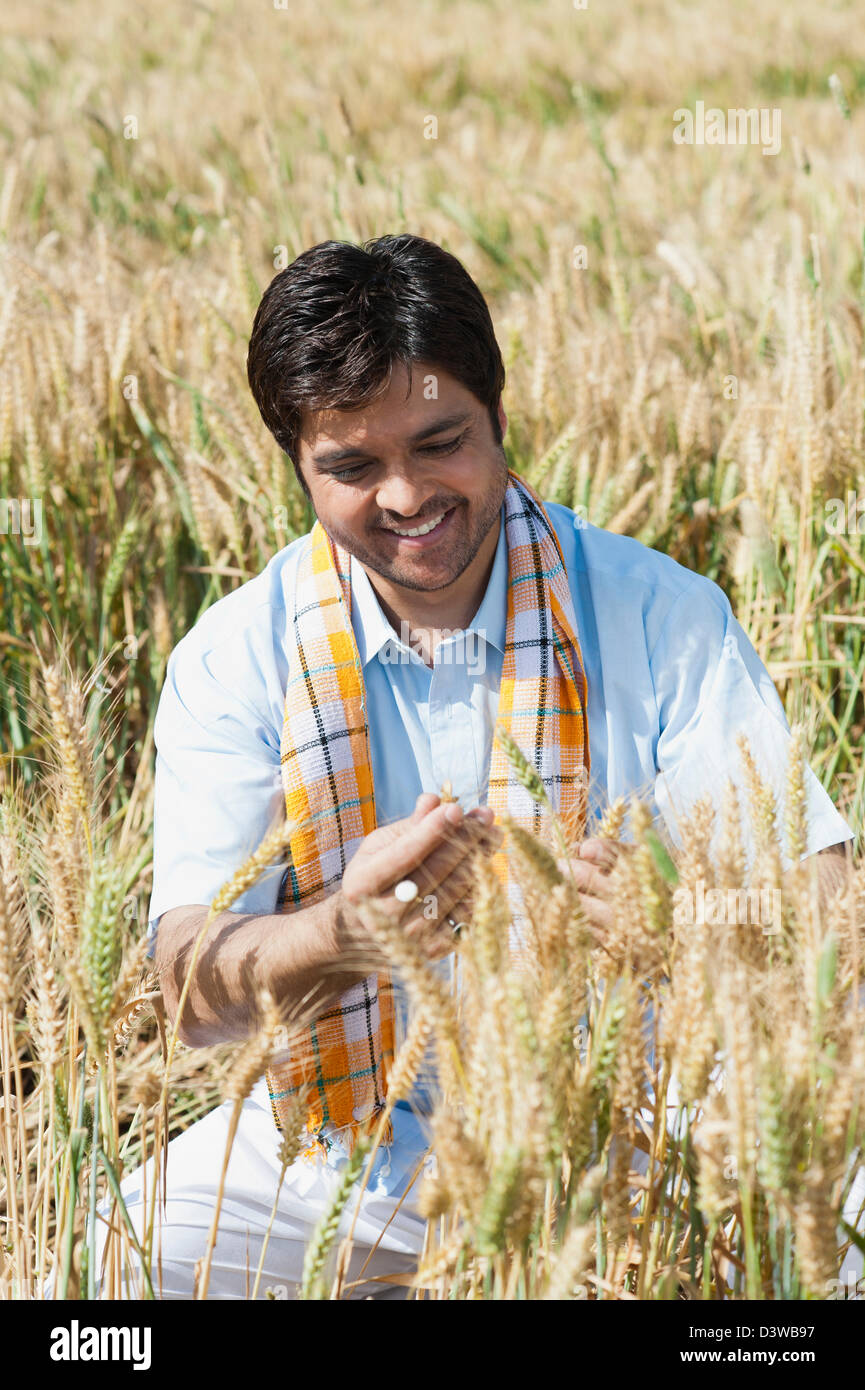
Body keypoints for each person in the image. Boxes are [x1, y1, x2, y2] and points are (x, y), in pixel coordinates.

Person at [94, 234, 855, 1300]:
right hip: (345, 1144)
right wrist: (338, 937)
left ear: (499, 419)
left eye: (439, 441)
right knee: (95, 1275)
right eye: (352, 467)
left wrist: (678, 915)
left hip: (645, 1121)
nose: (405, 496)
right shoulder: (234, 657)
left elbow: (831, 915)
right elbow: (186, 987)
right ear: (298, 468)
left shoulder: (664, 617)